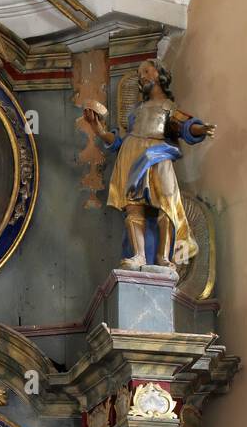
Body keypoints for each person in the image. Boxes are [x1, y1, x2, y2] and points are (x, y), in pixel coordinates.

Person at [82, 57, 215, 271]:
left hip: (159, 155)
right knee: (133, 206)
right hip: (132, 155)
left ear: (158, 73)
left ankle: (164, 257)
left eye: (145, 71)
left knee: (167, 203)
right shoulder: (137, 111)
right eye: (139, 73)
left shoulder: (169, 107)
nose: (141, 77)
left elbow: (184, 126)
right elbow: (120, 139)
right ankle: (139, 256)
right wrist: (99, 130)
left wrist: (200, 129)